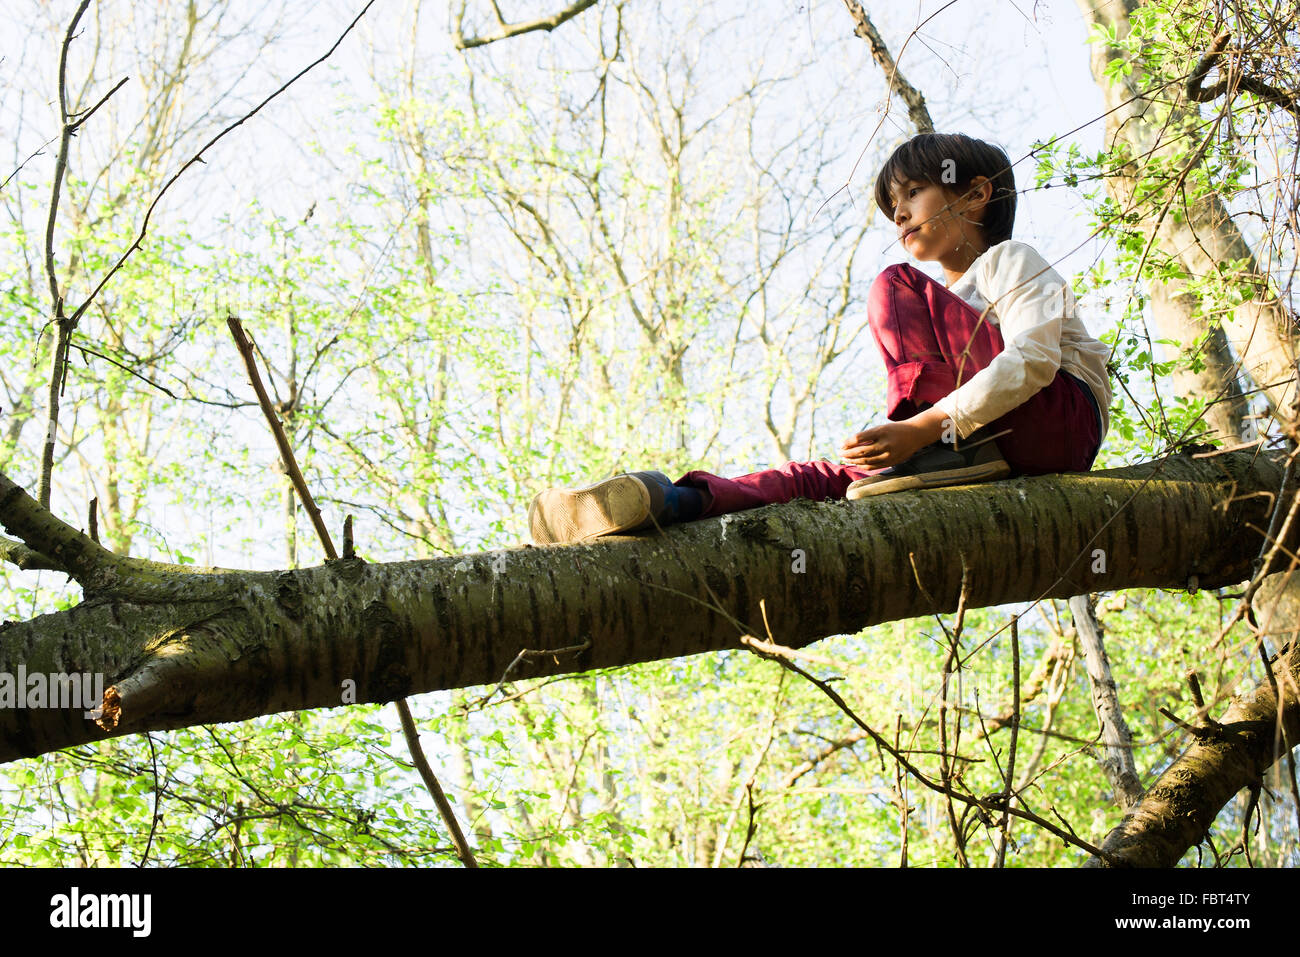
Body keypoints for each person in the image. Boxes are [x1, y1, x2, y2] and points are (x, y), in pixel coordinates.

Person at [527, 132, 1111, 546]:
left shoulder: (1011, 259)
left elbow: (1033, 361)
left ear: (975, 193)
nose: (899, 214)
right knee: (825, 479)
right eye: (891, 206)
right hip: (982, 445)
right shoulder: (946, 313)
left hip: (1058, 422)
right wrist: (912, 437)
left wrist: (919, 428)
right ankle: (669, 501)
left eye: (912, 194)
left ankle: (929, 455)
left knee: (894, 286)